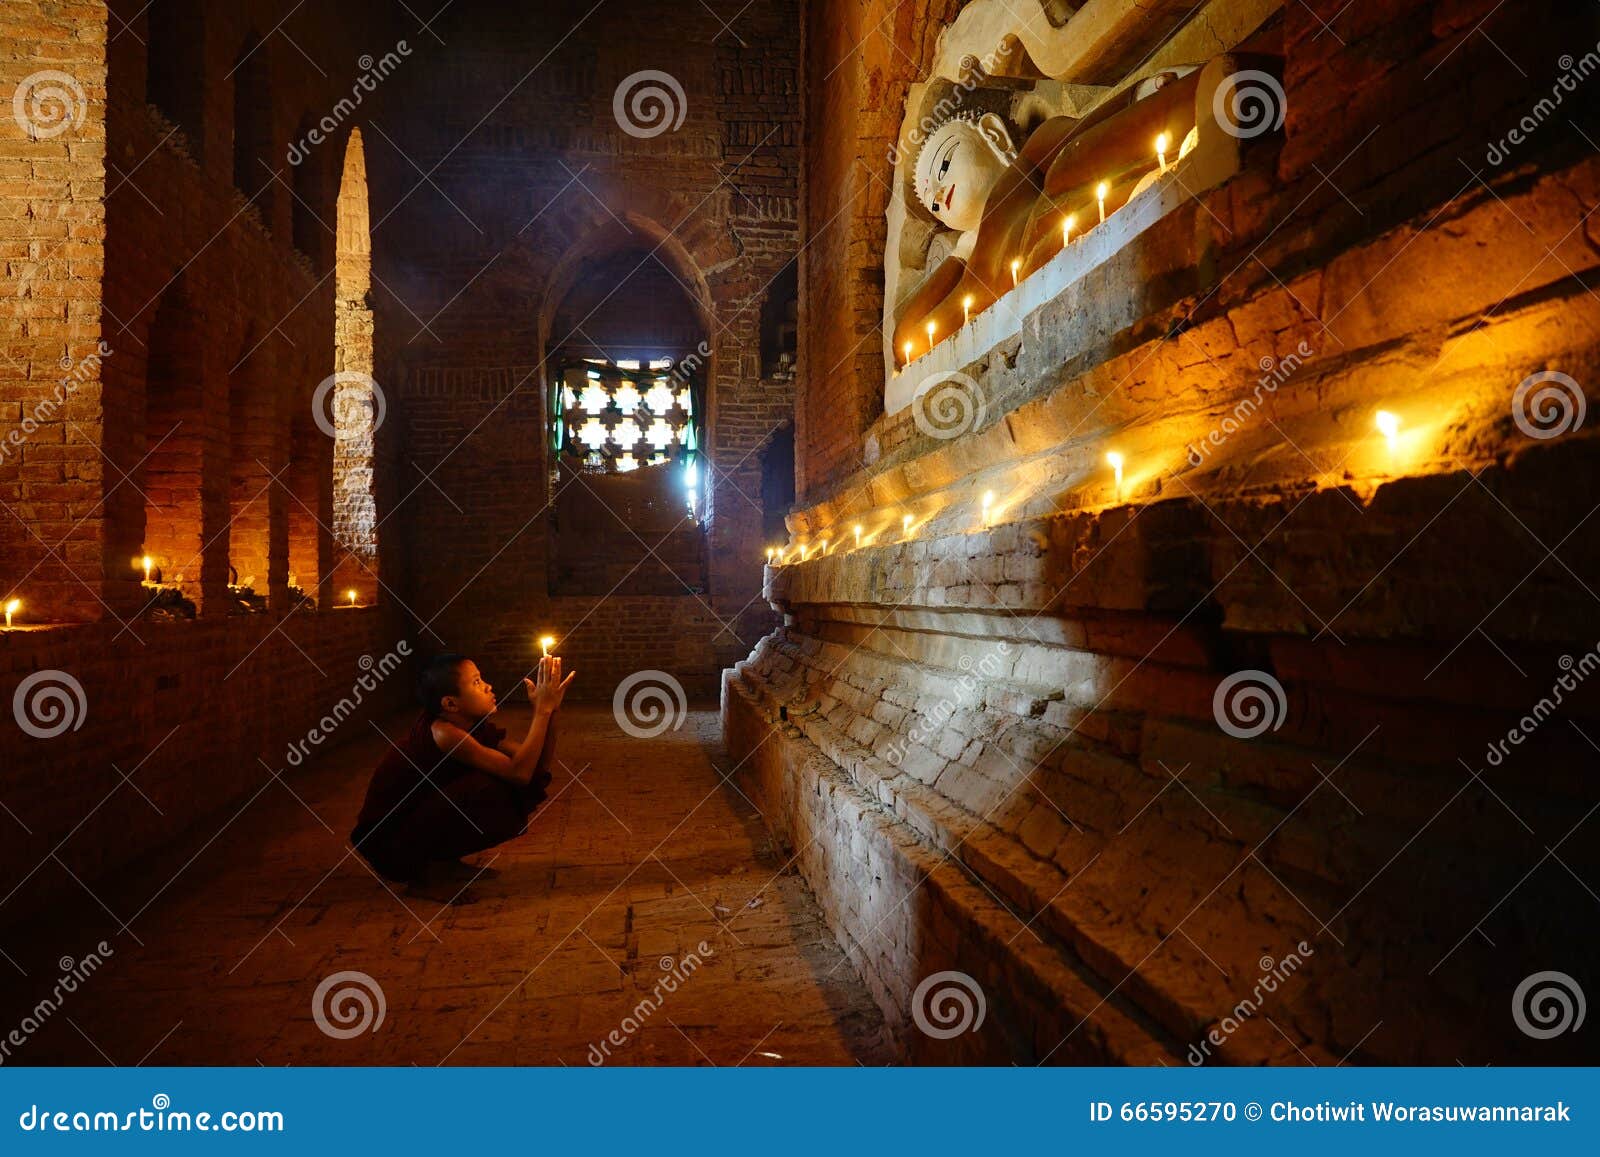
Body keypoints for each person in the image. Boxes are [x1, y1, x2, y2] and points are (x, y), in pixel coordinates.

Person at [350, 652, 575, 898]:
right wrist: (541, 712)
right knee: (487, 787)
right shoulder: (444, 734)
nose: (488, 686)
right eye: (476, 682)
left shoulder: (473, 727)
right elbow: (520, 773)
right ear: (450, 704)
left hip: (414, 826)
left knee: (501, 783)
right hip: (389, 845)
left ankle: (443, 863)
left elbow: (534, 765)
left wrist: (552, 710)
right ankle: (425, 878)